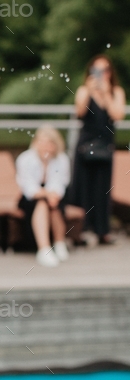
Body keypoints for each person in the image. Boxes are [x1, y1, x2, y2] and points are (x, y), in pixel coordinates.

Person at [70, 55, 125, 244]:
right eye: (97, 70)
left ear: (110, 73)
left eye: (105, 70)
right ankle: (81, 230)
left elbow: (117, 115)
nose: (102, 75)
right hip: (86, 146)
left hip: (105, 146)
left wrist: (106, 95)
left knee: (103, 189)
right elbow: (79, 112)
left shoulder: (116, 91)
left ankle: (102, 230)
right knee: (82, 188)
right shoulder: (84, 90)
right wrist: (90, 90)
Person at [16, 126, 70, 267]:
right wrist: (47, 194)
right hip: (30, 200)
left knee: (54, 206)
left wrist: (53, 196)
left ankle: (59, 243)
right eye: (43, 142)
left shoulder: (62, 159)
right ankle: (44, 248)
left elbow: (61, 183)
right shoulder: (25, 158)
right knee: (42, 202)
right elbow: (28, 187)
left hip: (55, 198)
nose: (46, 146)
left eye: (50, 143)